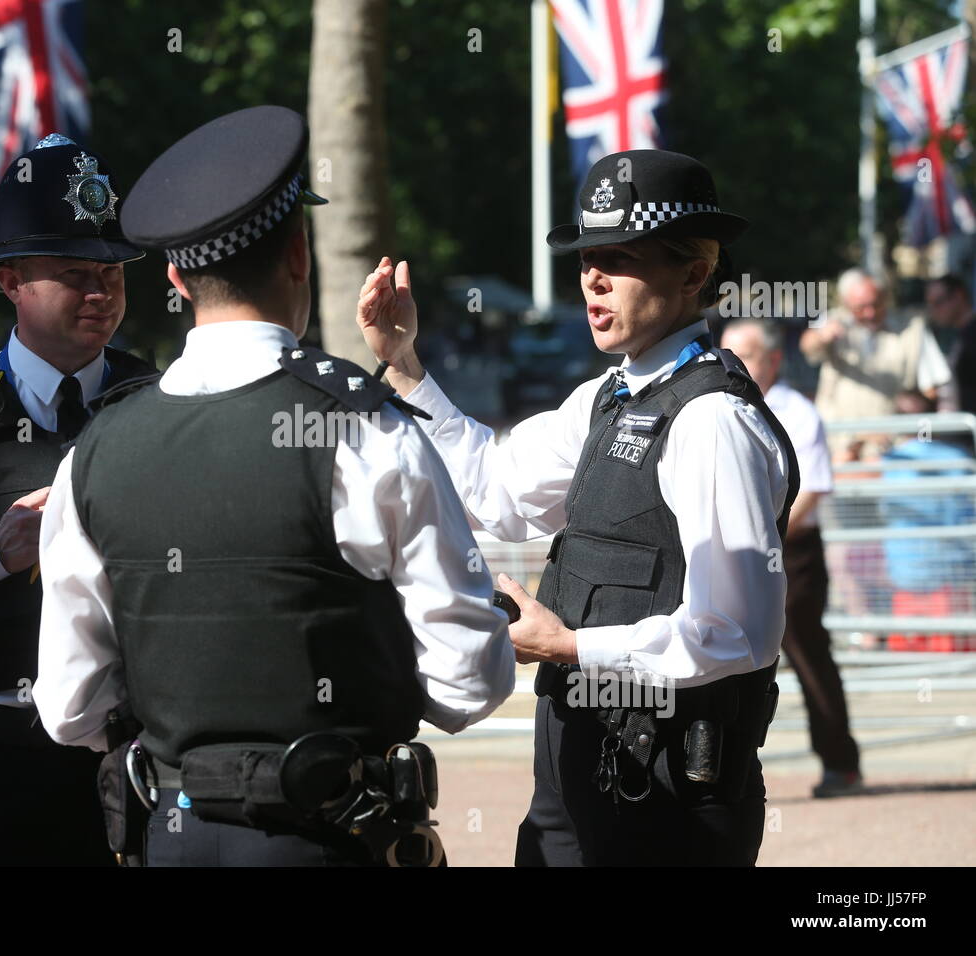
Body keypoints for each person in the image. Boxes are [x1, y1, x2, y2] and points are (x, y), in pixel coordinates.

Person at [32, 105, 515, 867]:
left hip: (171, 836)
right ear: (299, 253)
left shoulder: (95, 451)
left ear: (173, 275)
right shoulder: (367, 429)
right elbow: (467, 681)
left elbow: (69, 707)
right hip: (337, 836)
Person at [358, 149, 799, 866]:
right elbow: (496, 491)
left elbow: (737, 632)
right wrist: (406, 368)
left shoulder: (713, 420)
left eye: (620, 257)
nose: (592, 276)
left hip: (668, 800)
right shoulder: (610, 395)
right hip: (580, 771)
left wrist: (566, 648)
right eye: (588, 255)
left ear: (694, 274)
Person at [0, 134, 157, 865]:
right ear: (12, 278)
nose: (101, 292)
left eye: (111, 271)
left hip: (132, 755)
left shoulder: (159, 404)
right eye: (73, 273)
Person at [720, 318, 862, 798]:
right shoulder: (717, 404)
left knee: (806, 654)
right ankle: (718, 770)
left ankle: (840, 763)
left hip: (791, 553)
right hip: (733, 549)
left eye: (746, 354)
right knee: (724, 658)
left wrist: (768, 539)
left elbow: (814, 488)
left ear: (774, 360)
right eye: (727, 352)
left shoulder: (796, 411)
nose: (733, 363)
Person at [800, 268, 951, 461]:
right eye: (860, 308)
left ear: (885, 298)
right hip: (837, 443)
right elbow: (807, 346)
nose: (870, 313)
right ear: (846, 305)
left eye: (876, 305)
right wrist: (822, 336)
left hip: (889, 447)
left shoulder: (912, 329)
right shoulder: (834, 320)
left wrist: (924, 427)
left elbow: (936, 389)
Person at [924, 274, 975, 415]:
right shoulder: (959, 336)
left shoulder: (971, 336)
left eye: (938, 303)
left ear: (958, 296)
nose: (934, 311)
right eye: (930, 305)